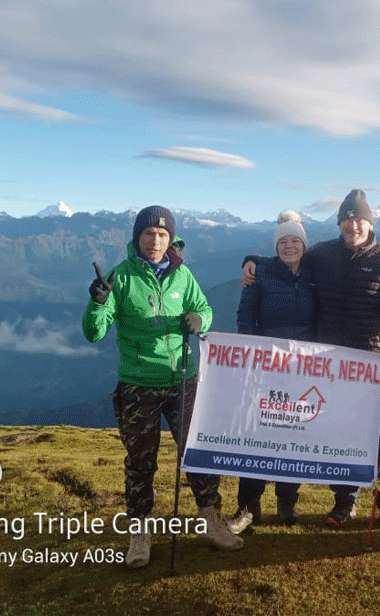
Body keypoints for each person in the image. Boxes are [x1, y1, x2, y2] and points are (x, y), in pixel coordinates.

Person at [243, 189, 380, 528]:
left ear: (370, 222)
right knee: (340, 433)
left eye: (359, 218)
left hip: (375, 362)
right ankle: (345, 502)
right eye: (347, 218)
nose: (353, 224)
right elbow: (286, 258)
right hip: (333, 364)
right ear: (339, 222)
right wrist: (251, 261)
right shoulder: (321, 254)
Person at [83, 205, 243, 569]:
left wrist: (199, 318)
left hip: (182, 380)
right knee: (141, 462)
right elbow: (94, 333)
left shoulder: (183, 276)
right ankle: (140, 532)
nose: (155, 241)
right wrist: (97, 303)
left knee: (198, 451)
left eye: (162, 235)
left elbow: (204, 309)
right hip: (138, 384)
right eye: (148, 234)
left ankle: (211, 520)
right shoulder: (119, 278)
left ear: (171, 239)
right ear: (137, 238)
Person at [228, 210, 317, 533]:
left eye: (295, 240)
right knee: (257, 434)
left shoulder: (315, 271)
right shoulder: (260, 272)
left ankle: (286, 502)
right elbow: (244, 317)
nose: (289, 246)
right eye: (283, 241)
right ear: (275, 246)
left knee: (293, 433)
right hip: (266, 367)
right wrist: (253, 354)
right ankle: (248, 507)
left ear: (304, 244)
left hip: (304, 366)